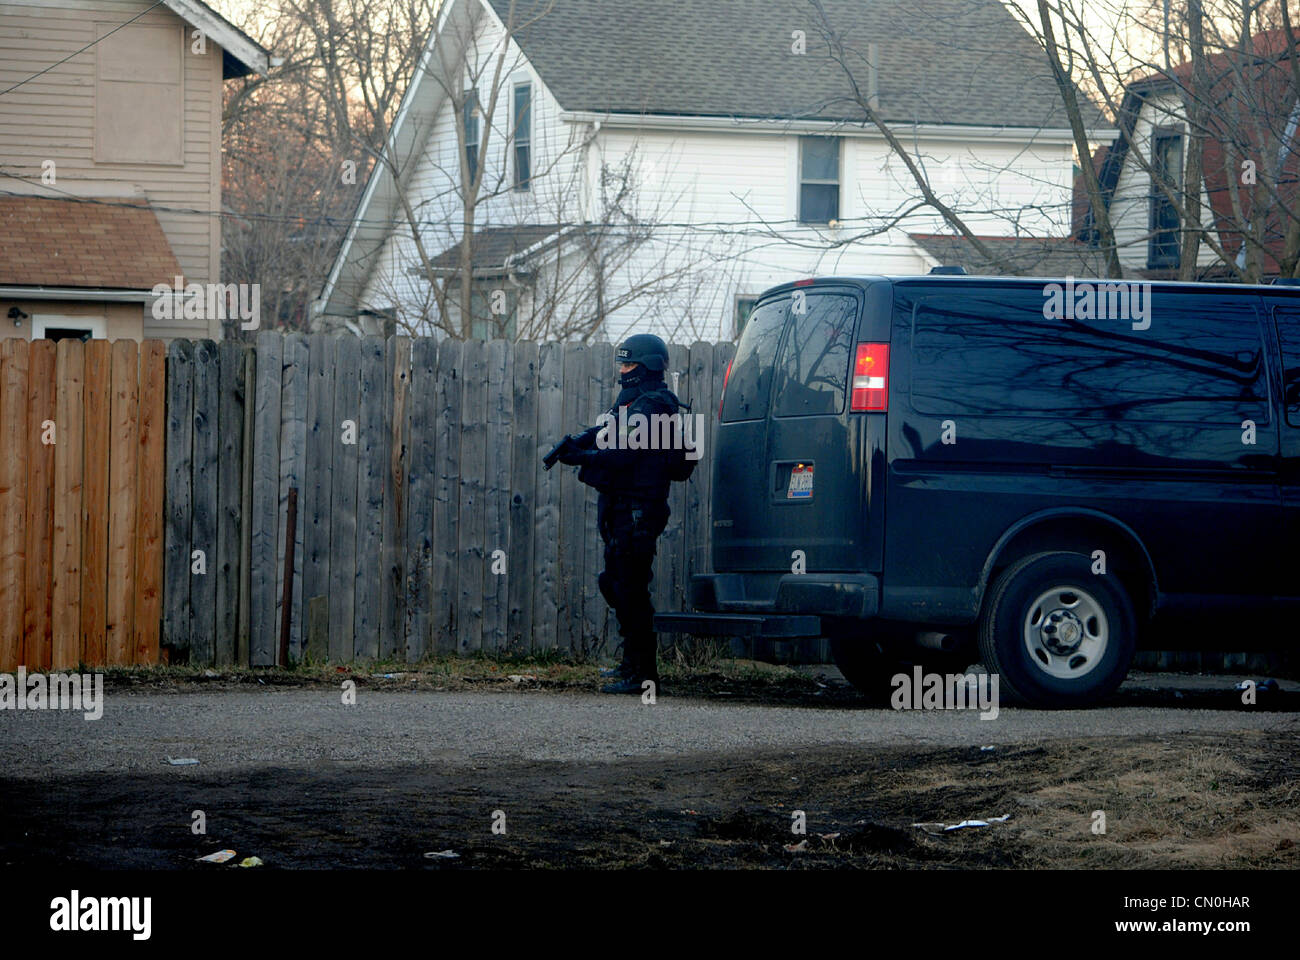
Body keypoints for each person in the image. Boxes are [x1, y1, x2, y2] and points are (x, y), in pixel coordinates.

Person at [553, 334, 681, 695]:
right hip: (623, 508)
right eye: (621, 364)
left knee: (630, 589)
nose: (622, 371)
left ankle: (643, 676)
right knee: (615, 584)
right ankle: (633, 665)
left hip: (640, 510)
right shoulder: (634, 402)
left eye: (628, 365)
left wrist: (583, 457)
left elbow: (624, 450)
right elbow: (609, 432)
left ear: (648, 366)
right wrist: (582, 439)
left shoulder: (654, 406)